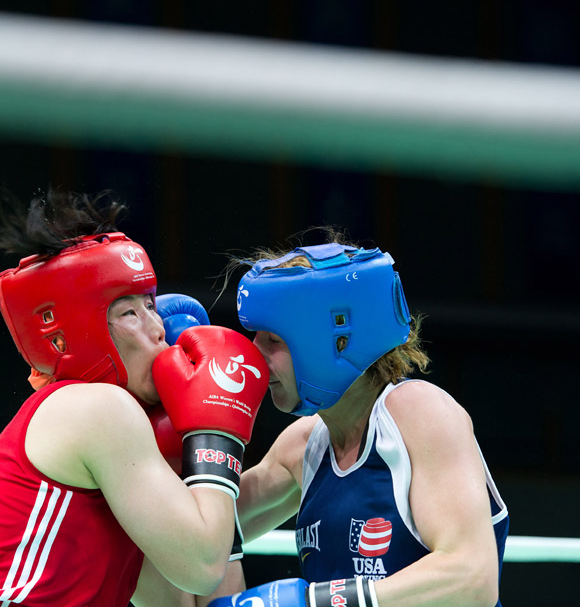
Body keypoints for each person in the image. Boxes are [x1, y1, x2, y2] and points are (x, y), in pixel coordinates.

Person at [0, 188, 269, 607]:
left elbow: (175, 595)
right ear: (81, 331)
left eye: (150, 304)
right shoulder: (97, 408)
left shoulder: (114, 433)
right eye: (129, 312)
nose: (158, 327)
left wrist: (190, 464)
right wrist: (217, 427)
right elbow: (201, 567)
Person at [197, 232, 509, 607]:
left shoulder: (419, 414)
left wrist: (317, 602)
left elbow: (473, 577)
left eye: (273, 340)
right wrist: (199, 428)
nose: (253, 356)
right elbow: (203, 539)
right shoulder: (302, 446)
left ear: (337, 340)